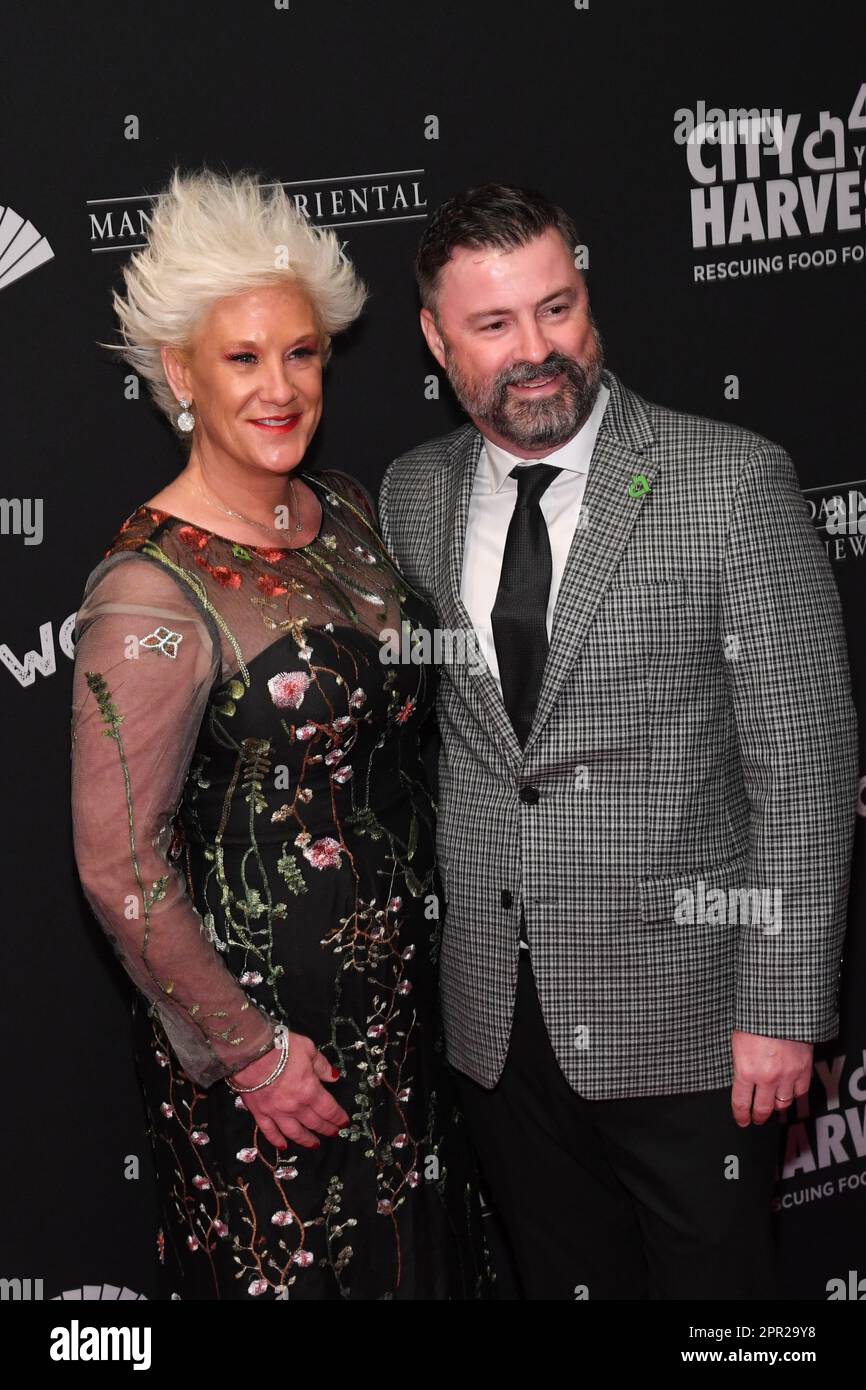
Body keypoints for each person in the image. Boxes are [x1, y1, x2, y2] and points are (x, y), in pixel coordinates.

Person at [377, 182, 858, 1300]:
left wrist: (781, 1010)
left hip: (694, 1025)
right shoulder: (412, 496)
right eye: (494, 325)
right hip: (498, 1026)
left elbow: (802, 764)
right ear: (434, 338)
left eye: (559, 307)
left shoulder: (728, 482)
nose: (537, 349)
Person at [70, 167, 492, 1300]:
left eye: (300, 353)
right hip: (279, 1059)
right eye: (243, 358)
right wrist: (250, 1054)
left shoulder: (342, 508)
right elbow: (120, 865)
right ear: (179, 374)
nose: (280, 387)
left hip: (406, 1021)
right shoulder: (149, 593)